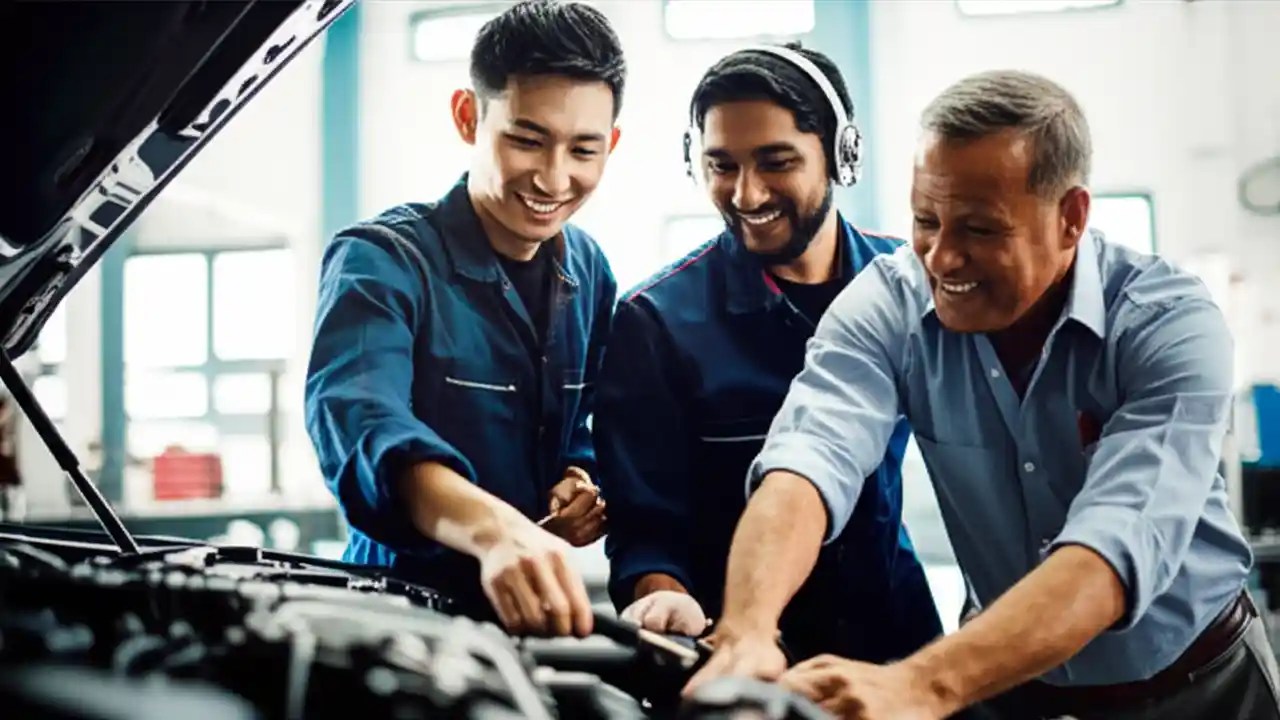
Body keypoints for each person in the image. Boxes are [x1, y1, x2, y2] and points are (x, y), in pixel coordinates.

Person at [685, 69, 1280, 719]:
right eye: (926, 221)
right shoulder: (889, 303)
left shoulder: (1168, 324)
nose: (941, 257)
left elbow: (1117, 542)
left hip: (1202, 687)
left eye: (979, 229)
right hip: (1008, 690)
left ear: (1071, 218)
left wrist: (922, 685)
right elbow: (809, 457)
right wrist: (747, 629)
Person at [594, 43, 943, 665]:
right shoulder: (654, 322)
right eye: (722, 165)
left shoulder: (910, 286)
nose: (746, 194)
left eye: (776, 163)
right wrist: (664, 597)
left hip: (894, 641)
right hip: (727, 652)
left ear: (842, 155)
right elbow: (646, 528)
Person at [304, 0, 623, 639]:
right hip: (398, 621)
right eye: (527, 140)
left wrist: (578, 479)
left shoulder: (589, 271)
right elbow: (361, 422)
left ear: (611, 144)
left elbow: (581, 426)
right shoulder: (381, 261)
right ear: (468, 116)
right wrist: (496, 532)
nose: (554, 178)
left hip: (529, 626)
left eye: (583, 149)